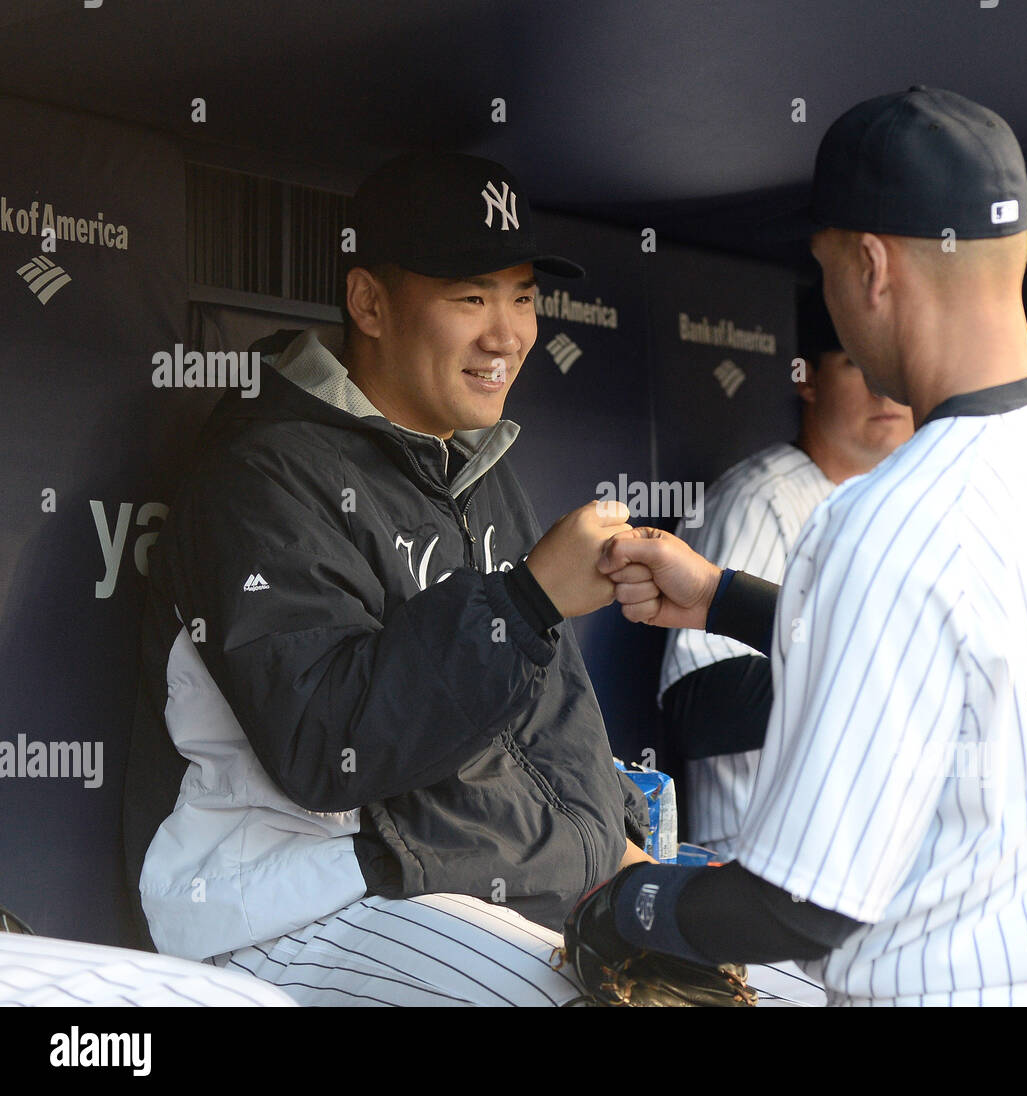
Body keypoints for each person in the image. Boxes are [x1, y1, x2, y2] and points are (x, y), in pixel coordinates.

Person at [570, 87, 1027, 1006]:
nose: (834, 298)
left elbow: (803, 906)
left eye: (831, 268)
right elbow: (1005, 657)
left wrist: (626, 904)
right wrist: (729, 599)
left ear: (873, 267)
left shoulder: (896, 512)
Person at [122, 150, 663, 1007]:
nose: (508, 333)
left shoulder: (481, 467)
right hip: (282, 903)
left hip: (458, 887)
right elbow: (329, 747)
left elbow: (549, 713)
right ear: (369, 302)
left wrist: (619, 853)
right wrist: (525, 601)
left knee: (790, 986)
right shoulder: (263, 476)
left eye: (522, 295)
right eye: (471, 296)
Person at [660, 285, 912, 860]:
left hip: (861, 851)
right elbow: (699, 705)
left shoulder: (901, 503)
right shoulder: (762, 500)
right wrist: (877, 669)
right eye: (857, 362)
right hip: (758, 848)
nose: (884, 387)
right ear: (808, 377)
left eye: (892, 363)